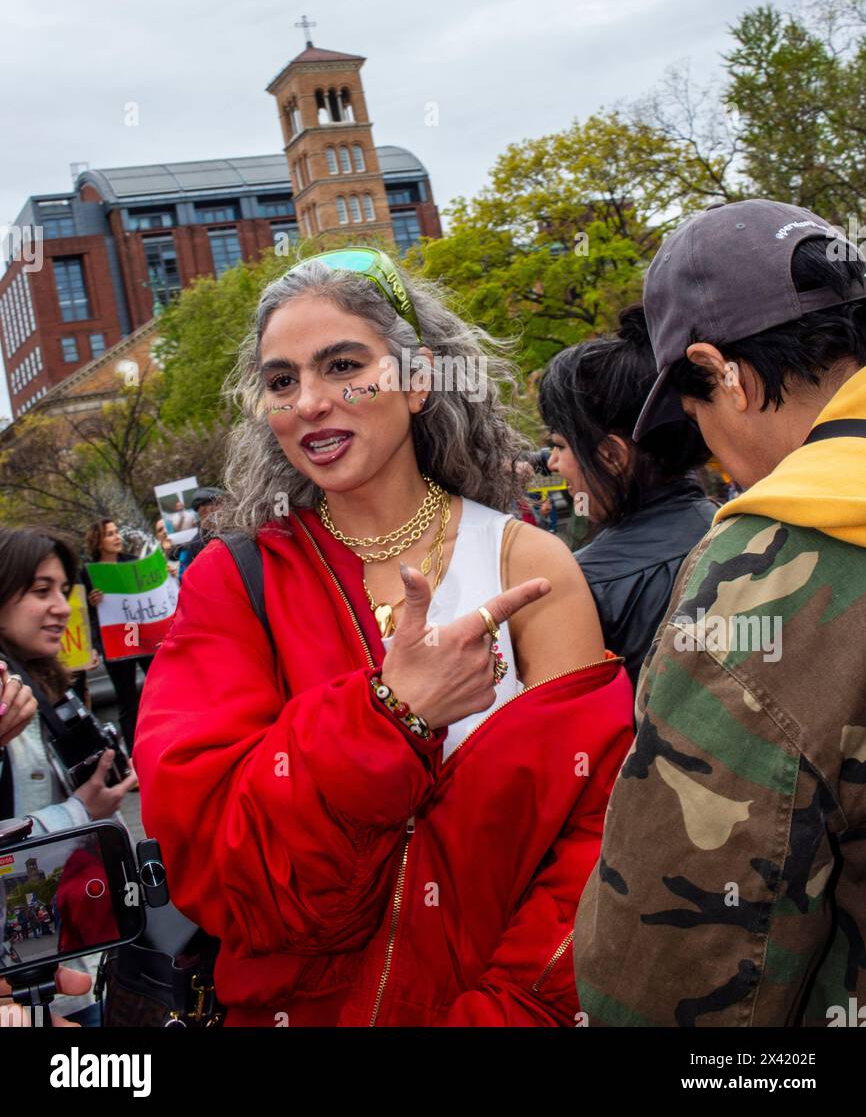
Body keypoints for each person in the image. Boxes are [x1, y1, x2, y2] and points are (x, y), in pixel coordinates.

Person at [136, 246, 633, 1027]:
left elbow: (597, 839)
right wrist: (387, 717)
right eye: (281, 381)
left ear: (418, 379)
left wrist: (497, 1015)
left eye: (342, 366)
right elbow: (216, 863)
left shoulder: (528, 564)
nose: (309, 401)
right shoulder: (233, 584)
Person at [574, 199, 866, 1027]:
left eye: (696, 415)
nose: (711, 455)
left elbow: (668, 966)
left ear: (722, 371)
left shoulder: (765, 571)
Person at [539, 304, 717, 691]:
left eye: (560, 445)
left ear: (612, 456)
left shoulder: (584, 582)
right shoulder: (739, 532)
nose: (553, 463)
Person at [0, 526, 138, 1021]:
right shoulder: (5, 693)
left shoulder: (39, 678)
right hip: (22, 986)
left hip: (67, 960)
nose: (61, 606)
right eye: (41, 592)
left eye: (64, 590)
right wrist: (81, 812)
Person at [80, 518, 153, 758]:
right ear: (98, 541)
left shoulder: (133, 563)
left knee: (158, 688)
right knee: (128, 700)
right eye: (110, 534)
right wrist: (92, 604)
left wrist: (165, 574)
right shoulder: (89, 573)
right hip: (115, 643)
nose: (117, 537)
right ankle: (135, 759)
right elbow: (84, 613)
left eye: (117, 532)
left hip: (143, 638)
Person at [176, 487, 224, 581]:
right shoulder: (195, 545)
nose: (224, 508)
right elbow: (189, 579)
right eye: (218, 503)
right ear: (204, 509)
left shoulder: (239, 530)